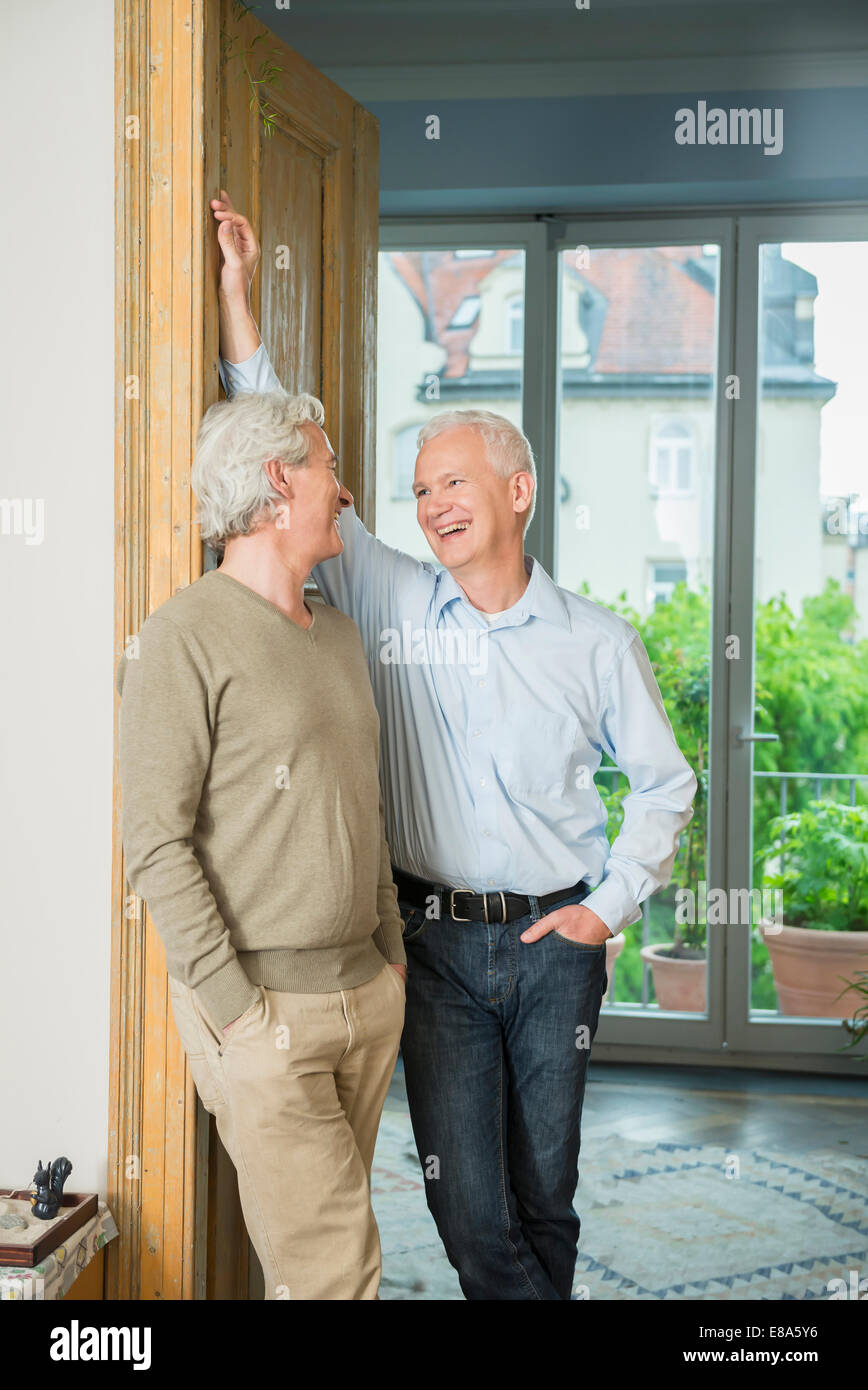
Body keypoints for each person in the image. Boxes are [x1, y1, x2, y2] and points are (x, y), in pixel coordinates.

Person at [212, 192, 698, 1301]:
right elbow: (280, 448)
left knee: (543, 1196)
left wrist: (605, 908)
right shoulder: (386, 596)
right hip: (429, 947)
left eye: (455, 483)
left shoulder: (594, 640)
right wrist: (239, 297)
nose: (431, 503)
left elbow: (668, 784)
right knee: (466, 1207)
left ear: (517, 493)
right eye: (420, 486)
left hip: (552, 947)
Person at [116, 383, 406, 1300]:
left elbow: (367, 803)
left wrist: (391, 954)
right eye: (328, 467)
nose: (345, 492)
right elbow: (154, 843)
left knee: (311, 1264)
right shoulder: (181, 638)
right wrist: (239, 1013)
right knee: (338, 1277)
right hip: (263, 1016)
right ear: (281, 482)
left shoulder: (340, 636)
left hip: (367, 998)